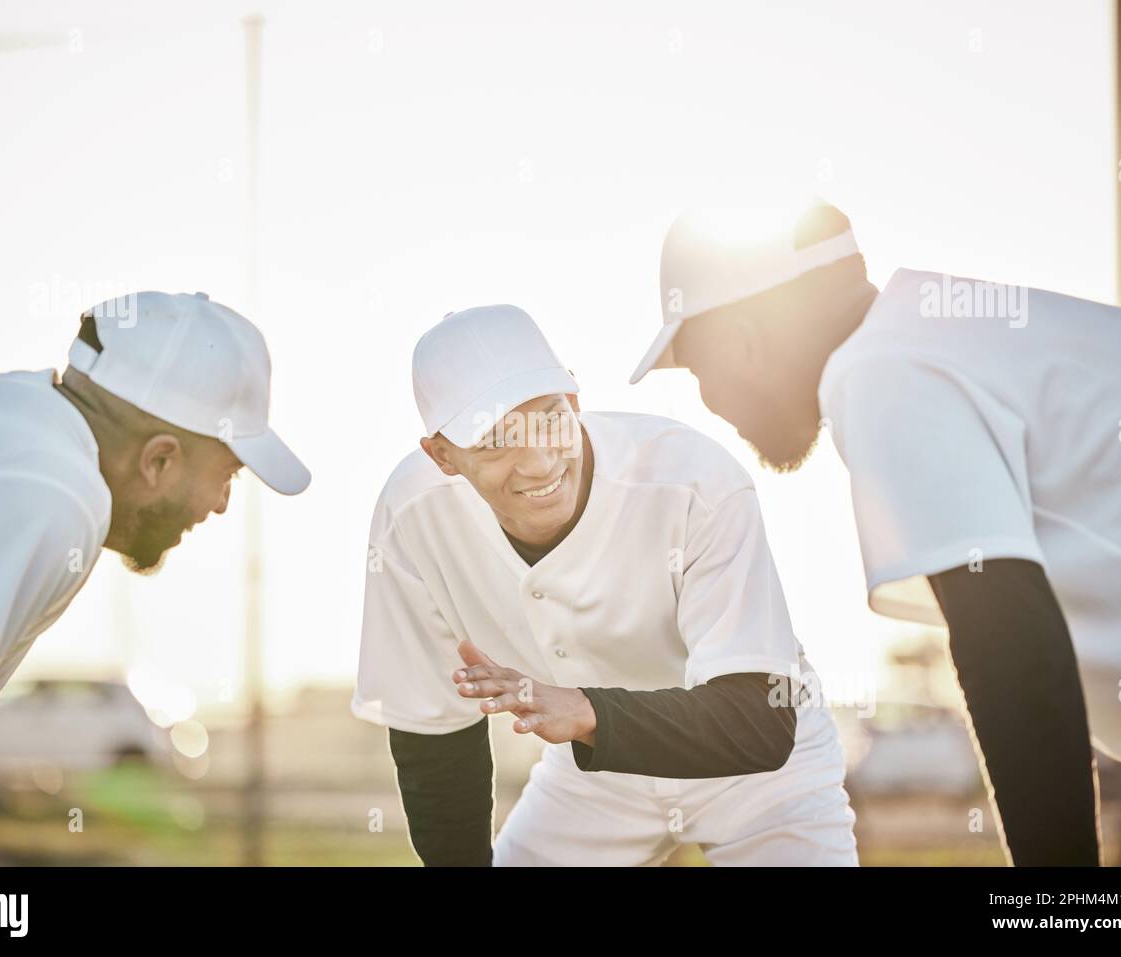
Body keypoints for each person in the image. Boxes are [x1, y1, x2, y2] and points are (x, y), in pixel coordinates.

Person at [629, 201, 1121, 866]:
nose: (710, 400)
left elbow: (1012, 655)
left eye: (697, 370)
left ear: (744, 338)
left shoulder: (881, 370)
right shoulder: (939, 336)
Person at [353, 304, 857, 866]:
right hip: (596, 779)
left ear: (573, 397)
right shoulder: (411, 516)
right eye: (495, 440)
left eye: (549, 418)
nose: (540, 463)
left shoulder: (694, 480)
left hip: (759, 779)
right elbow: (435, 739)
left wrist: (587, 712)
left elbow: (757, 720)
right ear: (442, 454)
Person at [0, 291, 310, 864]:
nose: (223, 505)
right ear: (159, 460)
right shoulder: (53, 495)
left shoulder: (22, 422)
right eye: (227, 474)